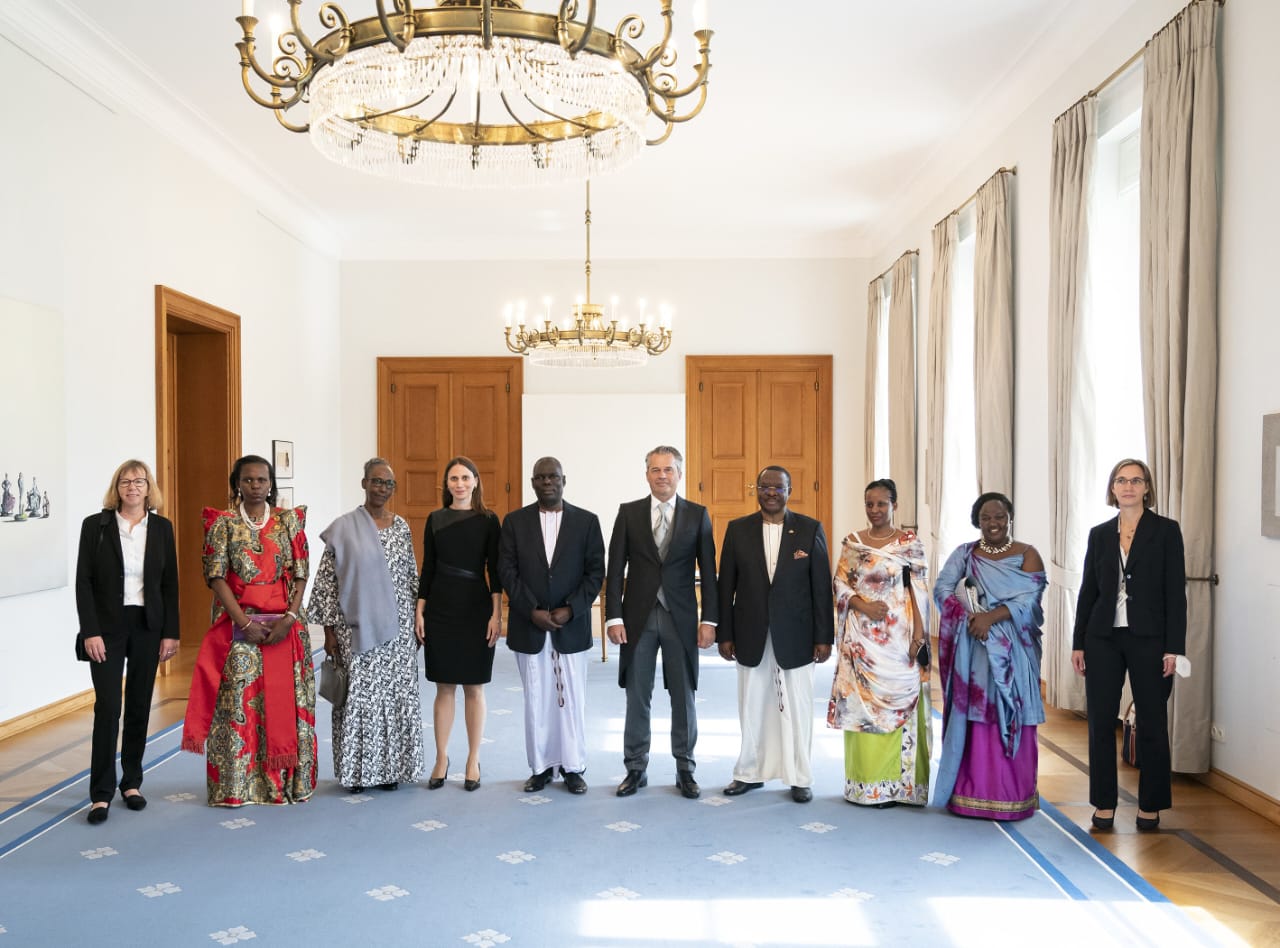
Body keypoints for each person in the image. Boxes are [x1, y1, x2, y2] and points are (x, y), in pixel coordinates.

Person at [181, 455, 316, 807]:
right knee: (238, 708)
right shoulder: (222, 524)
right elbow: (215, 577)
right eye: (247, 480)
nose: (255, 485)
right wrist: (244, 622)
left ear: (271, 484)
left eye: (261, 480)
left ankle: (284, 784)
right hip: (239, 631)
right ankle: (236, 787)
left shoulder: (289, 522)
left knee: (283, 707)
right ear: (236, 484)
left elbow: (301, 573)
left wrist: (289, 617)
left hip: (284, 630)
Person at [1072, 458, 1186, 832]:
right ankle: (1104, 803)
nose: (1128, 486)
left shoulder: (1166, 531)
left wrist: (1174, 647)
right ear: (1112, 488)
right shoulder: (1099, 533)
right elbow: (1088, 592)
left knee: (1151, 721)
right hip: (1102, 638)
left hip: (1150, 640)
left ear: (1147, 488)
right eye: (1121, 480)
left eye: (1136, 480)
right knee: (1101, 723)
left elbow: (1175, 594)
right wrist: (1078, 642)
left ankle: (1150, 805)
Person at [606, 445, 718, 800]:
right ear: (647, 475)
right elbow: (614, 570)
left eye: (668, 470)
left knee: (683, 695)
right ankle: (635, 768)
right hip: (637, 617)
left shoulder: (697, 515)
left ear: (679, 474)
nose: (662, 476)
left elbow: (710, 575)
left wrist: (709, 620)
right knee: (638, 695)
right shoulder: (628, 513)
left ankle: (685, 768)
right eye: (655, 470)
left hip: (680, 618)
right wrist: (613, 615)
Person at [716, 465, 833, 803]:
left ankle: (800, 776)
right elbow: (727, 587)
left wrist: (824, 636)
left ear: (789, 491)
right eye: (765, 486)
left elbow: (820, 588)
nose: (770, 492)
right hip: (749, 631)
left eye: (778, 488)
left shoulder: (810, 530)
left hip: (797, 633)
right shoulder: (738, 530)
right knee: (752, 704)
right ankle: (749, 773)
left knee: (797, 705)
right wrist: (725, 633)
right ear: (756, 490)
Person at [309, 458, 424, 793]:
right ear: (364, 484)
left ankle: (391, 771)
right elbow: (327, 583)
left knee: (394, 699)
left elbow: (410, 576)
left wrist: (418, 619)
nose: (381, 488)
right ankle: (357, 774)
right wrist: (329, 632)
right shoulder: (344, 527)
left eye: (387, 483)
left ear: (394, 489)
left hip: (398, 630)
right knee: (358, 699)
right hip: (354, 629)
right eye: (375, 481)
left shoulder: (402, 527)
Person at [74, 460, 179, 824]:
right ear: (116, 487)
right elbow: (83, 582)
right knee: (107, 707)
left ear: (149, 488)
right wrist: (90, 631)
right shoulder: (96, 526)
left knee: (138, 705)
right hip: (107, 626)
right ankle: (101, 793)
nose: (132, 487)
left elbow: (170, 585)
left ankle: (131, 782)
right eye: (125, 481)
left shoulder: (162, 528)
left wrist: (171, 632)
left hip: (148, 625)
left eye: (139, 481)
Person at [933, 492, 1047, 820]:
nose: (993, 523)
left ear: (1010, 518)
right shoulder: (965, 554)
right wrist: (971, 616)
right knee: (976, 712)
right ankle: (971, 794)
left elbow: (1028, 602)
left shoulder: (1027, 555)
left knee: (1011, 709)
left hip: (1014, 651)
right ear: (977, 521)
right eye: (986, 518)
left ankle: (1012, 796)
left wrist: (990, 619)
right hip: (973, 650)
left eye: (1000, 517)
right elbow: (942, 589)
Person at [499, 457, 604, 794]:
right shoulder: (514, 522)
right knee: (537, 698)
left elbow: (595, 573)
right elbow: (507, 571)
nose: (547, 482)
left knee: (572, 699)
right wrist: (531, 610)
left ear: (564, 480)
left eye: (553, 476)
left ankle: (574, 767)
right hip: (529, 626)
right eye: (541, 477)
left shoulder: (587, 522)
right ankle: (541, 766)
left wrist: (570, 610)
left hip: (569, 626)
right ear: (532, 483)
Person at [827, 478, 931, 807]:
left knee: (902, 700)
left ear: (894, 506)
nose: (875, 510)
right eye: (870, 504)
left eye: (882, 504)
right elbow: (840, 585)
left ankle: (902, 789)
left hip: (899, 639)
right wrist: (864, 605)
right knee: (863, 710)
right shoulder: (854, 543)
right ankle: (868, 786)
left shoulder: (908, 543)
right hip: (862, 640)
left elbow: (919, 591)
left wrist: (919, 636)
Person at [416, 456, 503, 792]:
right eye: (453, 478)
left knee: (474, 687)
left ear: (476, 481)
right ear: (447, 484)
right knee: (444, 687)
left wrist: (496, 615)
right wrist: (419, 611)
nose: (460, 484)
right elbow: (428, 569)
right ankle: (441, 757)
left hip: (476, 607)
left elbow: (494, 574)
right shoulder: (435, 519)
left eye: (466, 477)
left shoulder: (488, 520)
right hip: (440, 606)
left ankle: (472, 759)